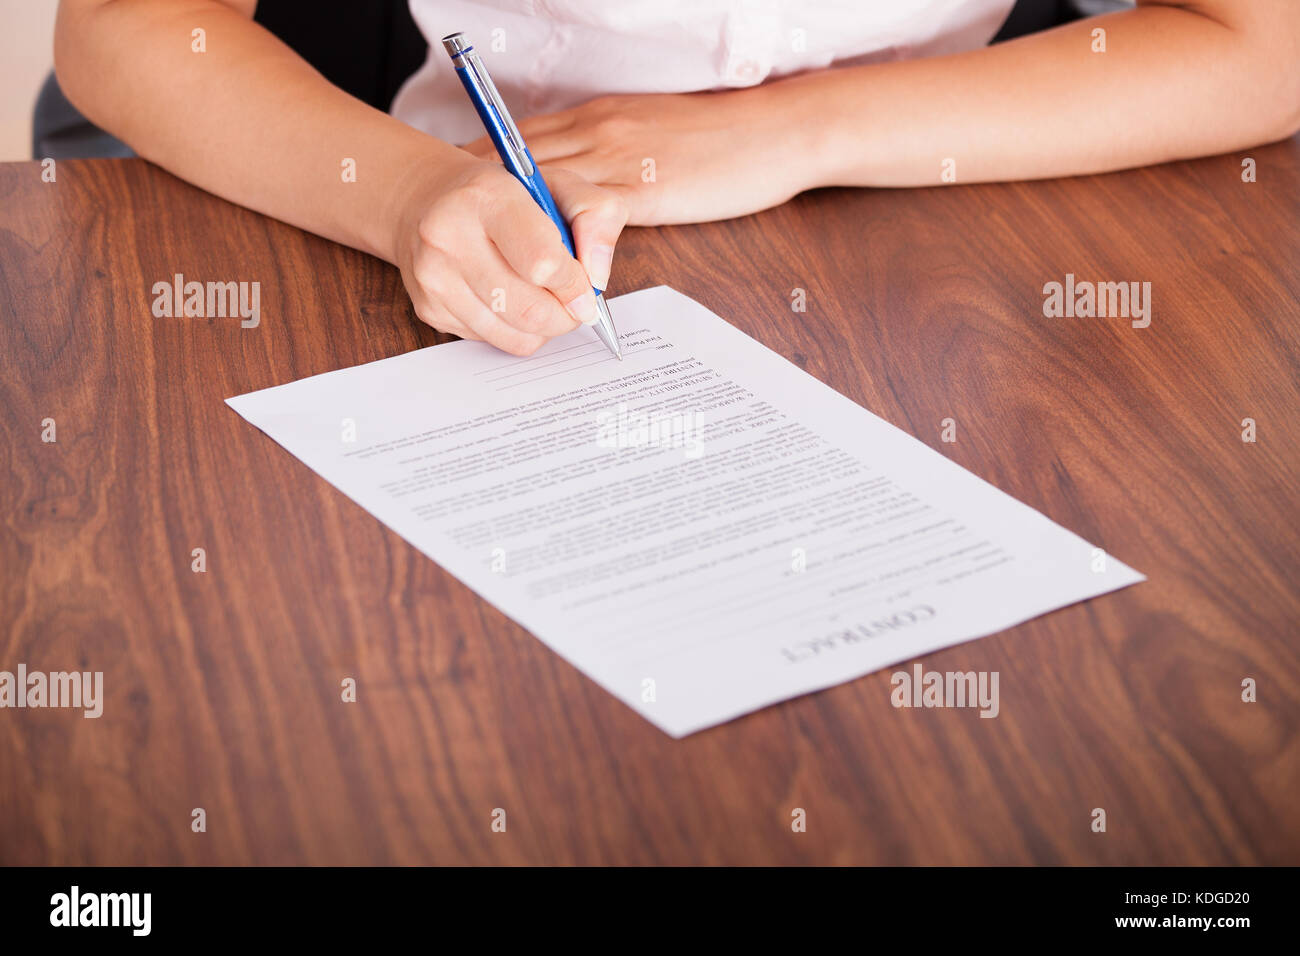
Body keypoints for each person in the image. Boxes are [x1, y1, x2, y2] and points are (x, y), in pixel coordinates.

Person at [54, 0, 1300, 355]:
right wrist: (401, 193)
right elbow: (120, 22)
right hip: (409, 156)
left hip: (939, 186)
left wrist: (799, 131)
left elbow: (1261, 45)